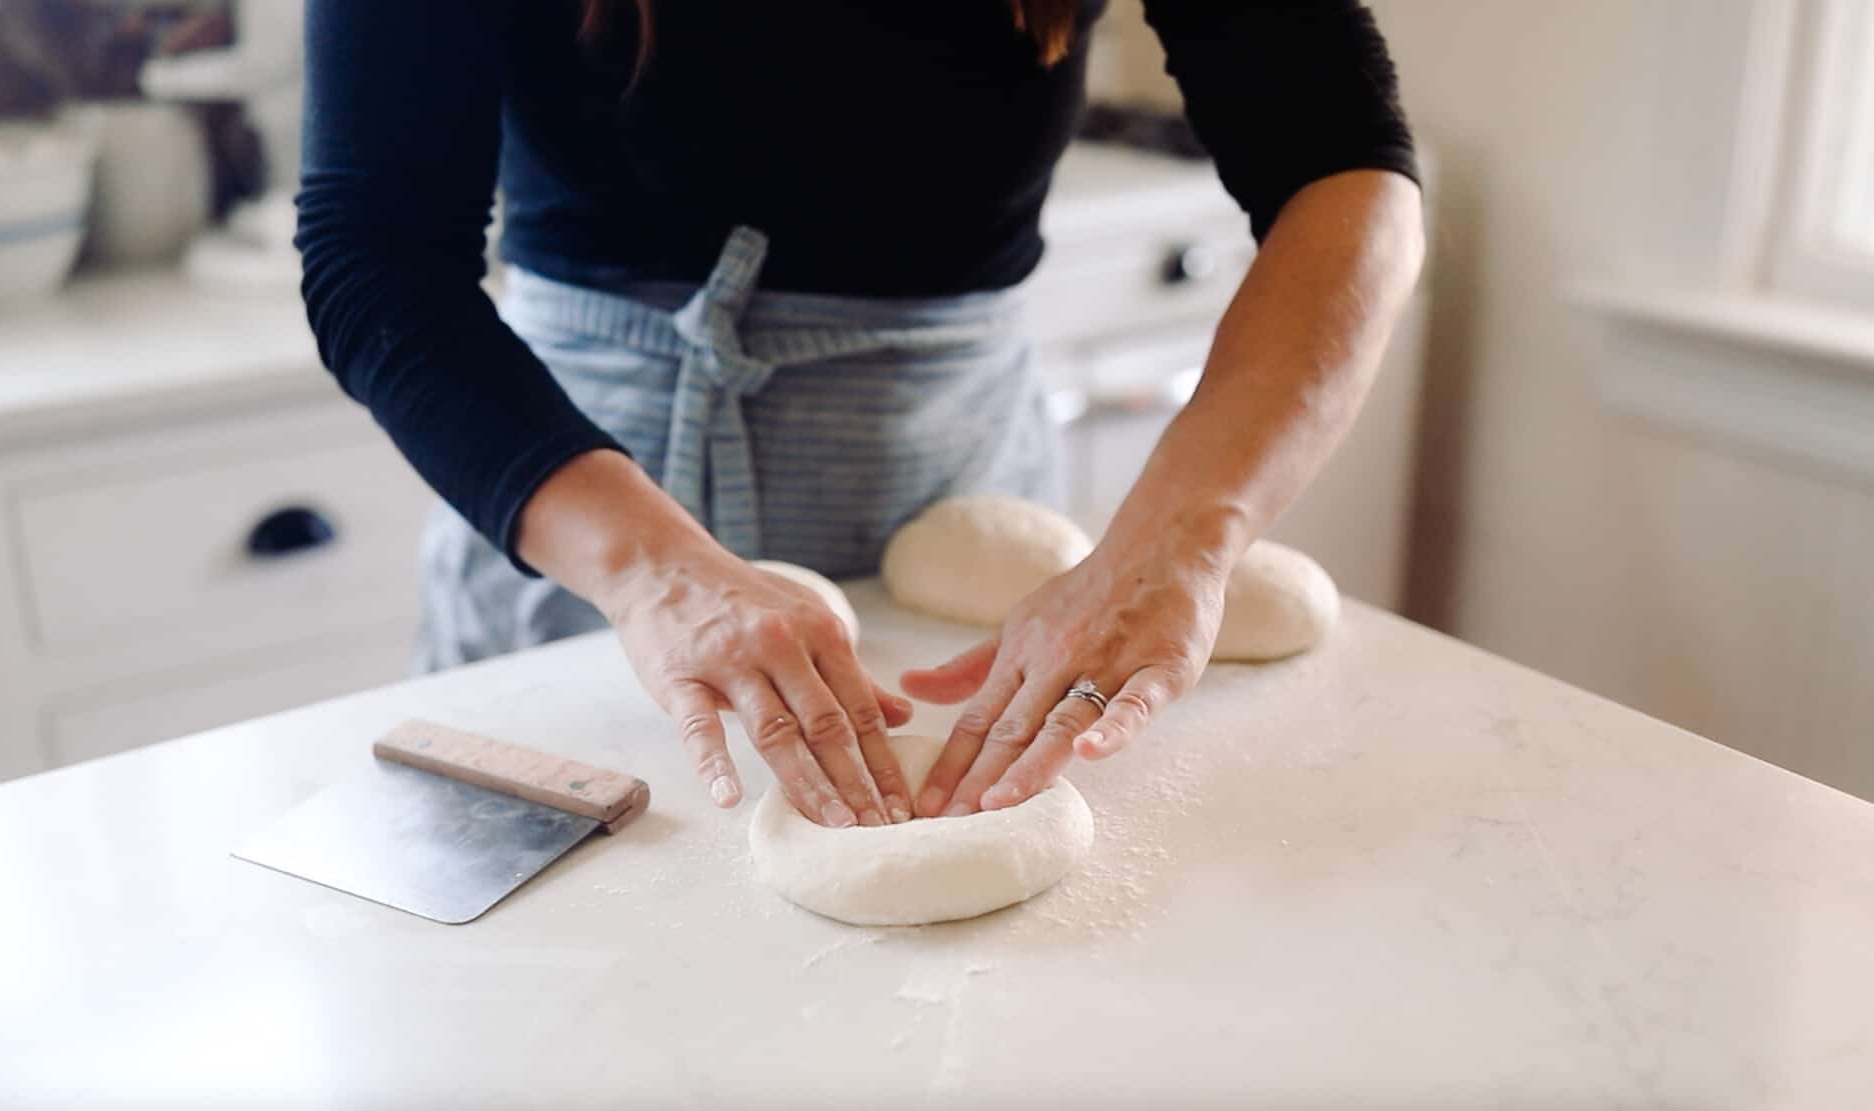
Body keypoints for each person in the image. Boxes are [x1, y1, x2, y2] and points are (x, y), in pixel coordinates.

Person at [296, 1, 1425, 832]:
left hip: (956, 497)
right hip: (572, 526)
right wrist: (652, 572)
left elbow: (1346, 171)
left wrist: (1185, 535)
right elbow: (375, 252)